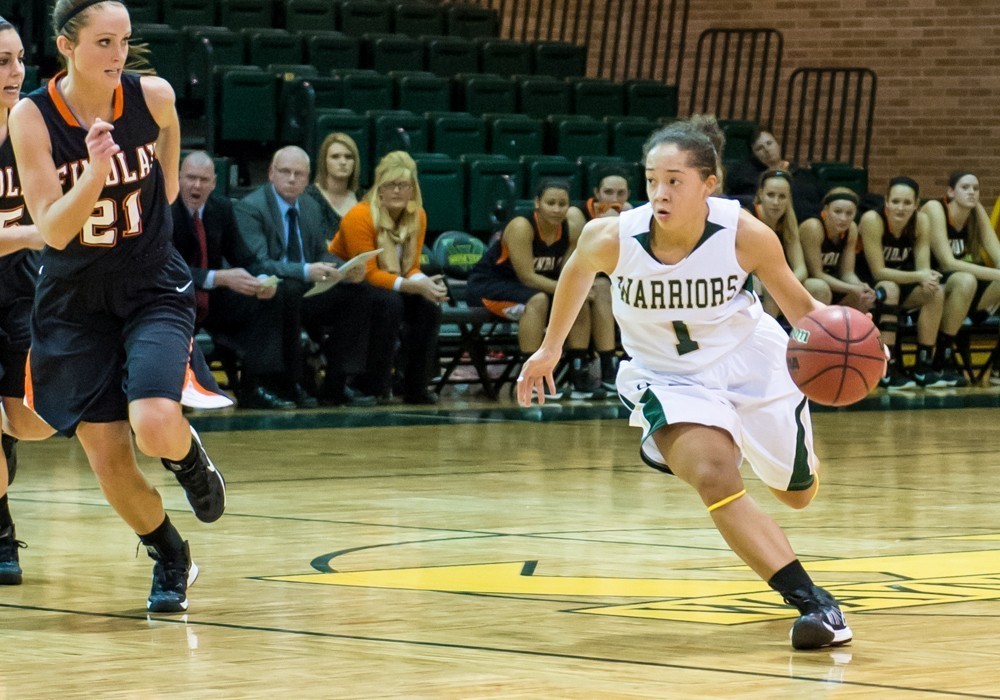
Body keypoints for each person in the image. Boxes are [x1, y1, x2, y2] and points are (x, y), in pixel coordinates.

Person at [517, 118, 852, 651]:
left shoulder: (745, 234)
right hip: (667, 376)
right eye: (652, 180)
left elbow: (803, 310)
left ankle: (712, 441)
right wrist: (551, 348)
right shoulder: (613, 236)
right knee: (714, 475)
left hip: (752, 363)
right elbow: (577, 274)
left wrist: (850, 342)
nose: (659, 193)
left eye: (674, 180)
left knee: (798, 496)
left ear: (708, 184)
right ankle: (816, 605)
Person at [9, 0, 226, 612]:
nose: (118, 55)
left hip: (150, 284)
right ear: (67, 46)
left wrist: (154, 204)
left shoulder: (152, 97)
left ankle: (191, 460)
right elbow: (52, 229)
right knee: (108, 459)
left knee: (155, 423)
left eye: (125, 41)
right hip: (75, 301)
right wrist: (97, 171)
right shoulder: (32, 117)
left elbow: (168, 151)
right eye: (104, 42)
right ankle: (170, 554)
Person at [235, 145, 378, 407]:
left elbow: (320, 253)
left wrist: (343, 268)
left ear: (308, 178)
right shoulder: (251, 208)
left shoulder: (310, 206)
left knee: (360, 292)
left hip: (307, 290)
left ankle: (337, 383)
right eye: (285, 172)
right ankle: (287, 384)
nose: (291, 179)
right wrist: (305, 270)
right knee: (286, 290)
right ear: (271, 173)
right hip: (267, 292)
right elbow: (259, 263)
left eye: (298, 174)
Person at [0, 15, 58, 586]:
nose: (15, 72)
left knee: (30, 421)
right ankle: (0, 531)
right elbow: (41, 224)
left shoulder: (34, 126)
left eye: (19, 59)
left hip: (22, 290)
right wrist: (29, 230)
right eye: (1, 62)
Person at [467, 178, 616, 399]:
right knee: (538, 300)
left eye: (562, 204)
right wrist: (573, 290)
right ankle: (531, 378)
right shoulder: (521, 226)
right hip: (491, 285)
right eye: (551, 203)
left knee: (578, 301)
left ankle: (579, 373)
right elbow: (527, 277)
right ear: (537, 203)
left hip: (532, 287)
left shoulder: (572, 228)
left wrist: (578, 292)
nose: (557, 209)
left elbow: (569, 273)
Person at [172, 151, 295, 410]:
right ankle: (175, 389)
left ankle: (255, 387)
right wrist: (218, 277)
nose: (196, 185)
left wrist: (263, 280)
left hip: (213, 300)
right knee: (171, 306)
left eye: (203, 180)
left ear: (214, 183)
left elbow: (244, 256)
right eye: (190, 178)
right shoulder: (164, 210)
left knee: (272, 297)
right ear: (178, 178)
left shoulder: (222, 208)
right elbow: (167, 269)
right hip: (176, 296)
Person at [330, 151, 444, 404]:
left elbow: (411, 267)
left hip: (390, 284)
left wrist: (424, 283)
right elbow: (368, 273)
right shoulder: (359, 216)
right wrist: (412, 286)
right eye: (390, 185)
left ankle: (416, 385)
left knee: (428, 307)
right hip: (349, 286)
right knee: (389, 302)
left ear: (412, 189)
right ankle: (373, 384)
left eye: (403, 185)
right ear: (379, 189)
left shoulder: (418, 216)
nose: (396, 191)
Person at [859, 176, 972, 389]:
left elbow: (923, 268)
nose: (900, 208)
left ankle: (923, 366)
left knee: (934, 291)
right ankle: (886, 368)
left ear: (916, 204)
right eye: (896, 202)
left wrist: (925, 278)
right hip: (870, 285)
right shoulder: (872, 220)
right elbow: (878, 271)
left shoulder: (921, 221)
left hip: (903, 280)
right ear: (887, 201)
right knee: (890, 288)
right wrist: (921, 276)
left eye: (907, 203)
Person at [921, 171, 1000, 383]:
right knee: (966, 279)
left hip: (964, 291)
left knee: (968, 280)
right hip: (931, 286)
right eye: (965, 187)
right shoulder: (935, 208)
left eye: (975, 188)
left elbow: (997, 253)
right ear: (950, 191)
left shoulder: (976, 210)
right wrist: (997, 274)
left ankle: (997, 367)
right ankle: (941, 356)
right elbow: (947, 263)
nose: (972, 192)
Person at [751, 169, 831, 319]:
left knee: (819, 288)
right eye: (771, 195)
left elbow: (801, 268)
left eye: (782, 196)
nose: (776, 202)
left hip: (778, 281)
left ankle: (807, 340)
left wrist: (784, 284)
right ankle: (767, 338)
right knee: (768, 289)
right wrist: (778, 285)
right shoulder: (749, 216)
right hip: (752, 280)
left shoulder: (788, 222)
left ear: (789, 198)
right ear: (760, 194)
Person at [799, 188, 878, 312]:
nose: (843, 218)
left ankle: (850, 331)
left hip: (831, 281)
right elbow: (816, 274)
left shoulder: (851, 229)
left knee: (863, 297)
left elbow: (847, 273)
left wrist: (861, 286)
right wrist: (851, 288)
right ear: (826, 210)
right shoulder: (813, 227)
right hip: (807, 283)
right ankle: (817, 330)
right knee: (820, 288)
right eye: (838, 212)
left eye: (849, 213)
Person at [303, 132, 361, 235]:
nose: (343, 162)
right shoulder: (308, 198)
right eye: (335, 157)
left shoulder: (364, 198)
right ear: (324, 161)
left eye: (348, 157)